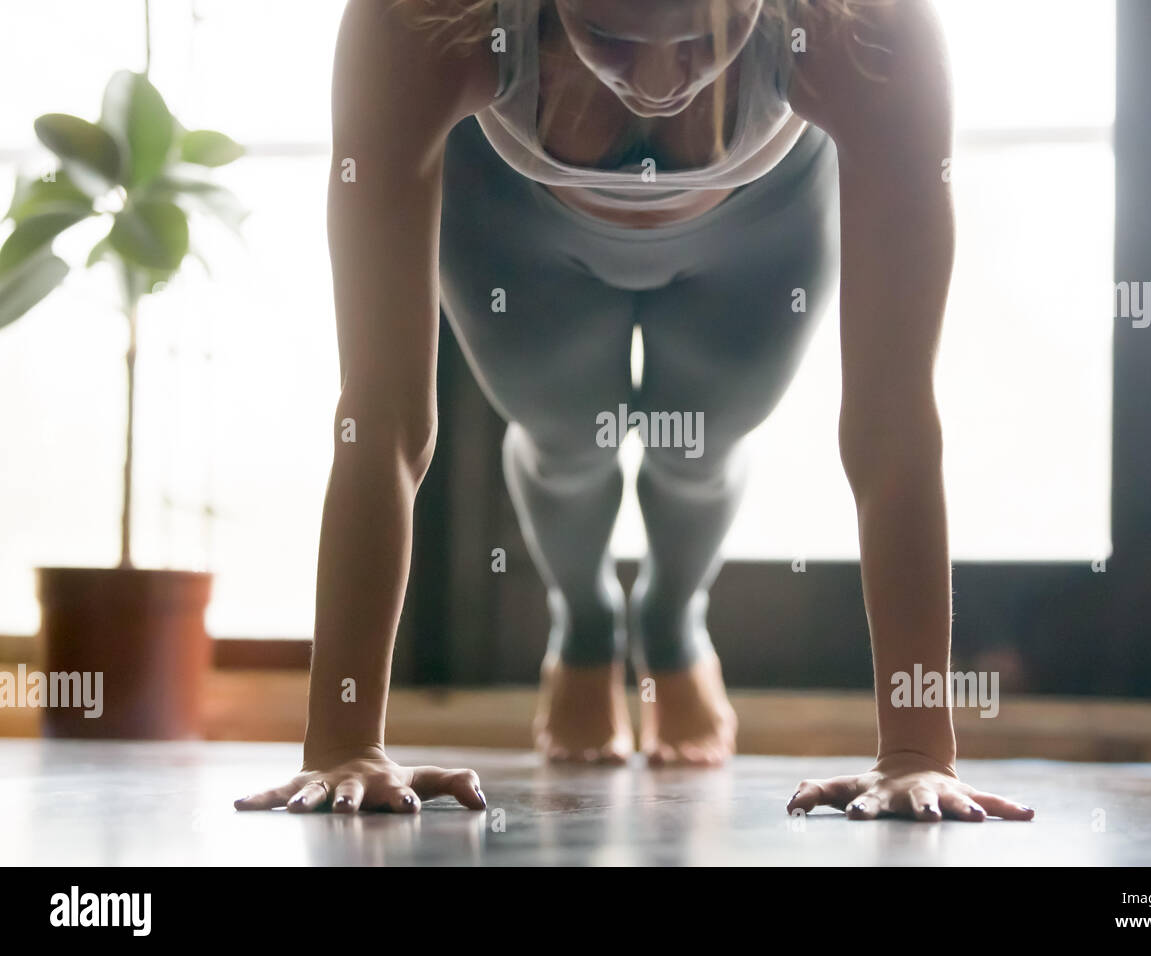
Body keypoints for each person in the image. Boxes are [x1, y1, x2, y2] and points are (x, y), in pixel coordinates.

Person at [234, 0, 1036, 824]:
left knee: (701, 441)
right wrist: (342, 747)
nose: (658, 83)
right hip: (518, 229)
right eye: (611, 38)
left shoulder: (865, 27)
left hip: (759, 232)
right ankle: (582, 625)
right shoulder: (426, 20)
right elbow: (383, 418)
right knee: (567, 437)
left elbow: (891, 422)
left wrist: (916, 755)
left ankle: (673, 623)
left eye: (698, 42)